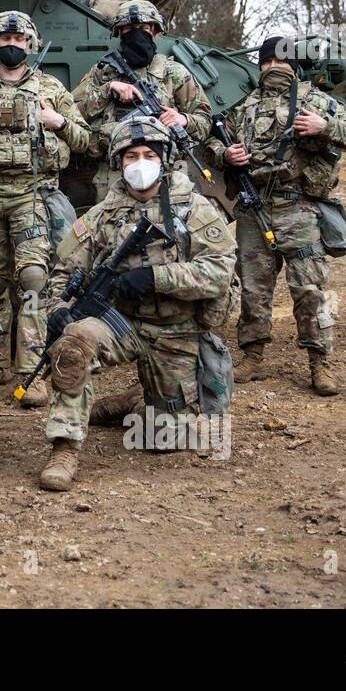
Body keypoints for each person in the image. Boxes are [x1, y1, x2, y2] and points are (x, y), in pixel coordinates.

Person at [37, 117, 236, 491]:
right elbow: (62, 271)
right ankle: (64, 448)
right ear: (118, 162)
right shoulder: (102, 215)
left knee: (168, 438)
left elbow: (220, 272)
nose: (140, 163)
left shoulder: (196, 210)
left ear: (164, 160)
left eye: (148, 155)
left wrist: (157, 278)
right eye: (131, 156)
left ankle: (132, 402)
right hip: (119, 323)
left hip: (177, 329)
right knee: (74, 344)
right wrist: (57, 310)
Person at [207, 36, 346, 395]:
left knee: (310, 286)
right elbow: (214, 143)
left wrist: (325, 127)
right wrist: (225, 155)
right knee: (253, 286)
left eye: (283, 61)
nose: (275, 67)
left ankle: (319, 361)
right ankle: (252, 356)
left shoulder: (317, 102)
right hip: (254, 207)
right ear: (260, 65)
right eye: (268, 61)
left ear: (294, 66)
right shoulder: (244, 107)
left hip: (299, 207)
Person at [0, 10, 89, 407]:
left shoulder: (50, 88)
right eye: (4, 40)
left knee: (32, 279)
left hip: (31, 198)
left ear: (30, 43)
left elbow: (83, 140)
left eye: (19, 39)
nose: (12, 45)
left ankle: (32, 372)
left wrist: (58, 121)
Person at [71, 0, 212, 197]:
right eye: (129, 28)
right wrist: (107, 90)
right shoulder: (102, 72)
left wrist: (184, 120)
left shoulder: (174, 73)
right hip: (114, 175)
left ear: (154, 31)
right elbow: (72, 115)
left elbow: (205, 121)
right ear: (119, 32)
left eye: (143, 27)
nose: (136, 32)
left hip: (167, 174)